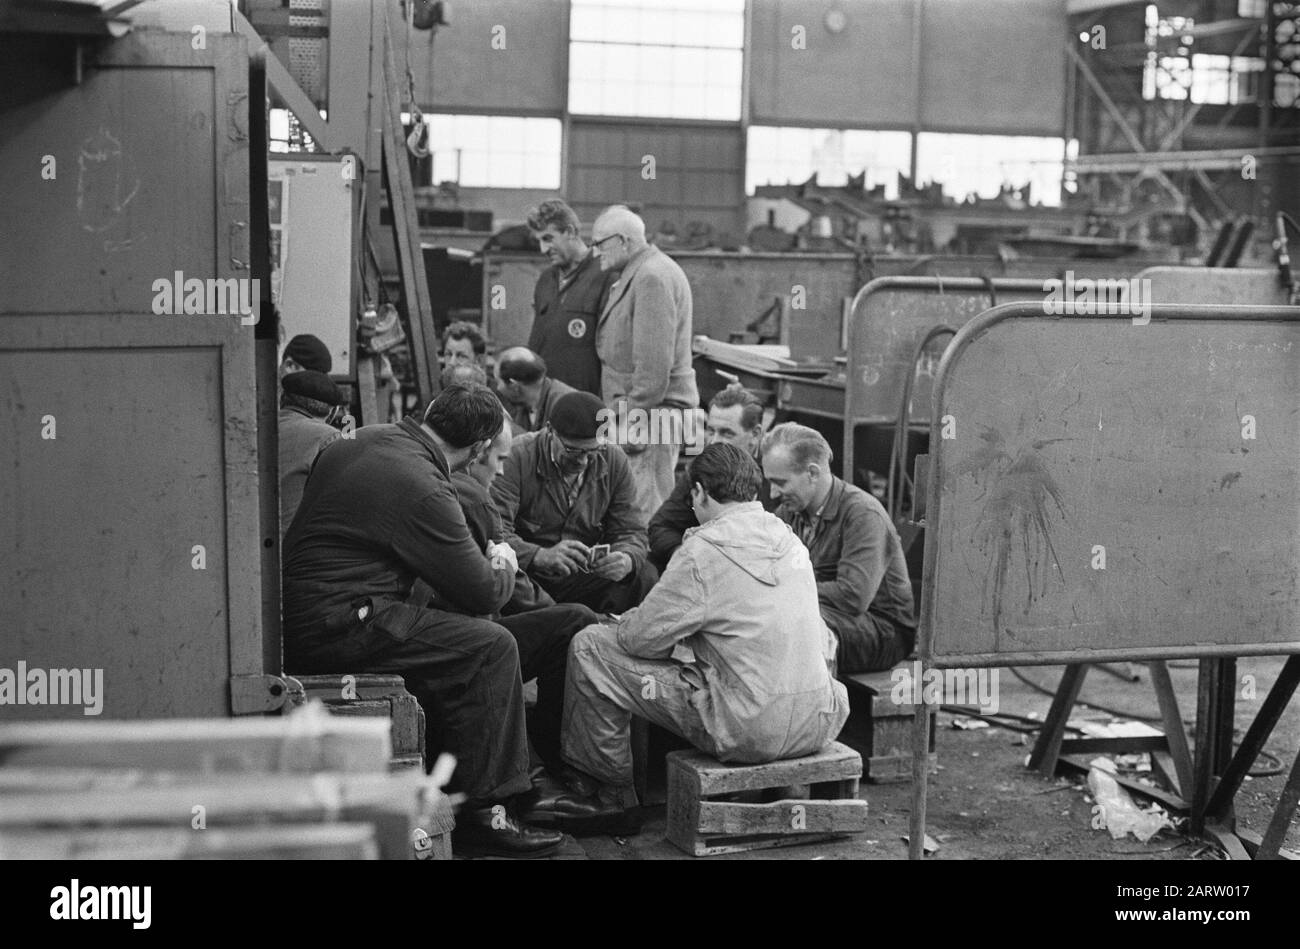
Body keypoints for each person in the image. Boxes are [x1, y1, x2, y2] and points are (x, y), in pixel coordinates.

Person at [281, 382, 569, 858]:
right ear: (478, 448)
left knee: (458, 636)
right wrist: (503, 560)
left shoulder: (365, 438)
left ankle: (463, 773)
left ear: (431, 411)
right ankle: (486, 811)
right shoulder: (424, 487)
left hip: (313, 612)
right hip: (343, 623)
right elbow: (480, 593)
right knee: (492, 646)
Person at [552, 443, 850, 829]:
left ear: (699, 493)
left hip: (748, 729)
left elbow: (640, 641)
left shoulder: (703, 551)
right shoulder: (790, 540)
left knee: (591, 647)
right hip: (820, 719)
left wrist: (621, 622)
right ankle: (786, 789)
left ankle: (609, 797)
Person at [760, 423, 916, 674]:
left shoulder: (863, 514)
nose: (774, 493)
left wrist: (785, 590)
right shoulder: (790, 513)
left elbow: (853, 596)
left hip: (884, 629)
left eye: (780, 482)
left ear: (812, 472)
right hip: (830, 613)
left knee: (792, 623)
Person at [491, 390, 655, 615]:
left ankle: (606, 634)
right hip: (530, 576)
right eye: (573, 451)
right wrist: (539, 555)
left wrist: (625, 558)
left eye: (593, 451)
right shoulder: (516, 457)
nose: (583, 461)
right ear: (550, 431)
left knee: (644, 574)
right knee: (504, 577)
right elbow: (495, 533)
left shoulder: (614, 459)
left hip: (581, 575)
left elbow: (632, 530)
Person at [590, 205, 699, 523]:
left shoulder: (651, 277)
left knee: (644, 516)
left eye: (600, 243)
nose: (595, 252)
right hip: (645, 416)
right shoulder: (643, 272)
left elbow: (652, 372)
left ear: (623, 240)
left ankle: (650, 574)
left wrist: (625, 419)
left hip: (648, 418)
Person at [647, 385, 779, 570]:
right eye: (711, 430)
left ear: (755, 434)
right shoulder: (702, 468)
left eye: (726, 433)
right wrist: (685, 555)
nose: (714, 441)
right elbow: (661, 526)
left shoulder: (776, 473)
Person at [527, 199, 615, 397]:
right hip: (546, 401)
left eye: (548, 238)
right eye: (539, 241)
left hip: (586, 402)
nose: (543, 249)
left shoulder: (606, 276)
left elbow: (613, 352)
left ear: (570, 232)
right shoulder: (546, 279)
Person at [278, 370, 348, 538]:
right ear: (332, 413)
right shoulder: (329, 438)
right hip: (293, 548)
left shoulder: (253, 426)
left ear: (282, 399)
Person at [496, 346, 576, 435]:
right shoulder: (524, 405)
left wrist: (508, 427)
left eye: (498, 382)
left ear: (514, 385)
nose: (498, 388)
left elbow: (552, 447)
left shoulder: (565, 406)